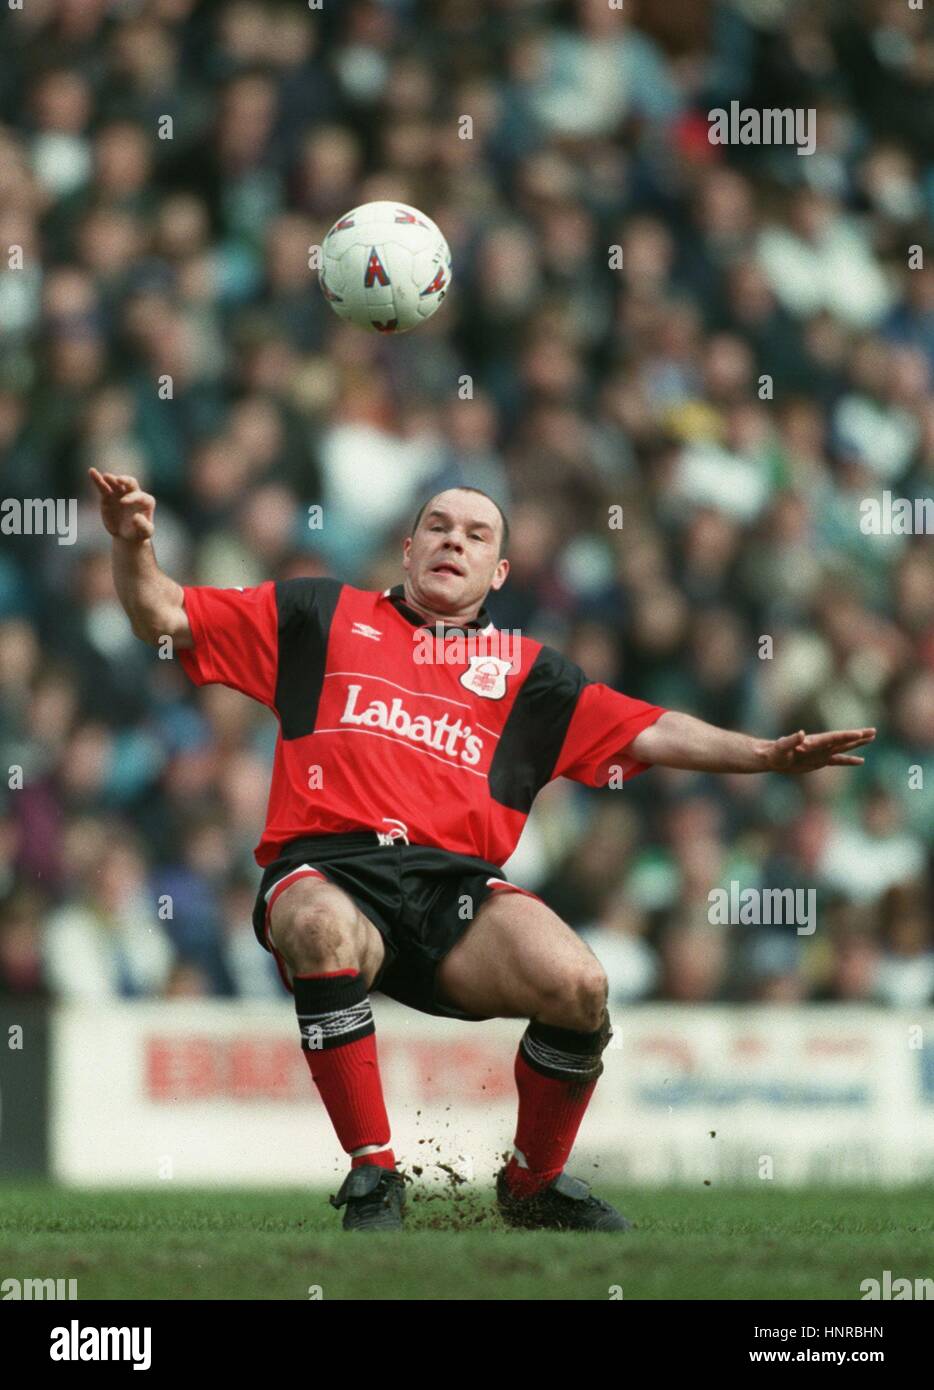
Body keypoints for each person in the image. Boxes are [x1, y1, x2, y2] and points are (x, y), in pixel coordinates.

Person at [89, 468, 876, 1231]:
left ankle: (531, 1187)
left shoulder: (528, 674)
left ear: (498, 571)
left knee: (580, 985)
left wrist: (766, 755)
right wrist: (132, 546)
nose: (452, 541)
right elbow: (162, 616)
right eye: (437, 526)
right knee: (322, 930)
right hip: (327, 867)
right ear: (407, 548)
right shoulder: (319, 615)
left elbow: (652, 727)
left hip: (453, 890)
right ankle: (374, 1174)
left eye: (475, 534)